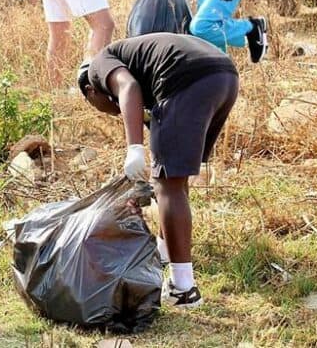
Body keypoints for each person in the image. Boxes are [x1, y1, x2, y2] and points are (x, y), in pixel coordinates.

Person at [78, 33, 239, 308]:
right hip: (224, 77)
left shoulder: (98, 66)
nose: (110, 109)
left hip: (187, 77)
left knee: (167, 184)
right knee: (174, 179)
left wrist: (134, 148)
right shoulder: (143, 70)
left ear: (92, 91)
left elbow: (127, 87)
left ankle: (183, 290)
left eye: (97, 105)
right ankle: (164, 254)